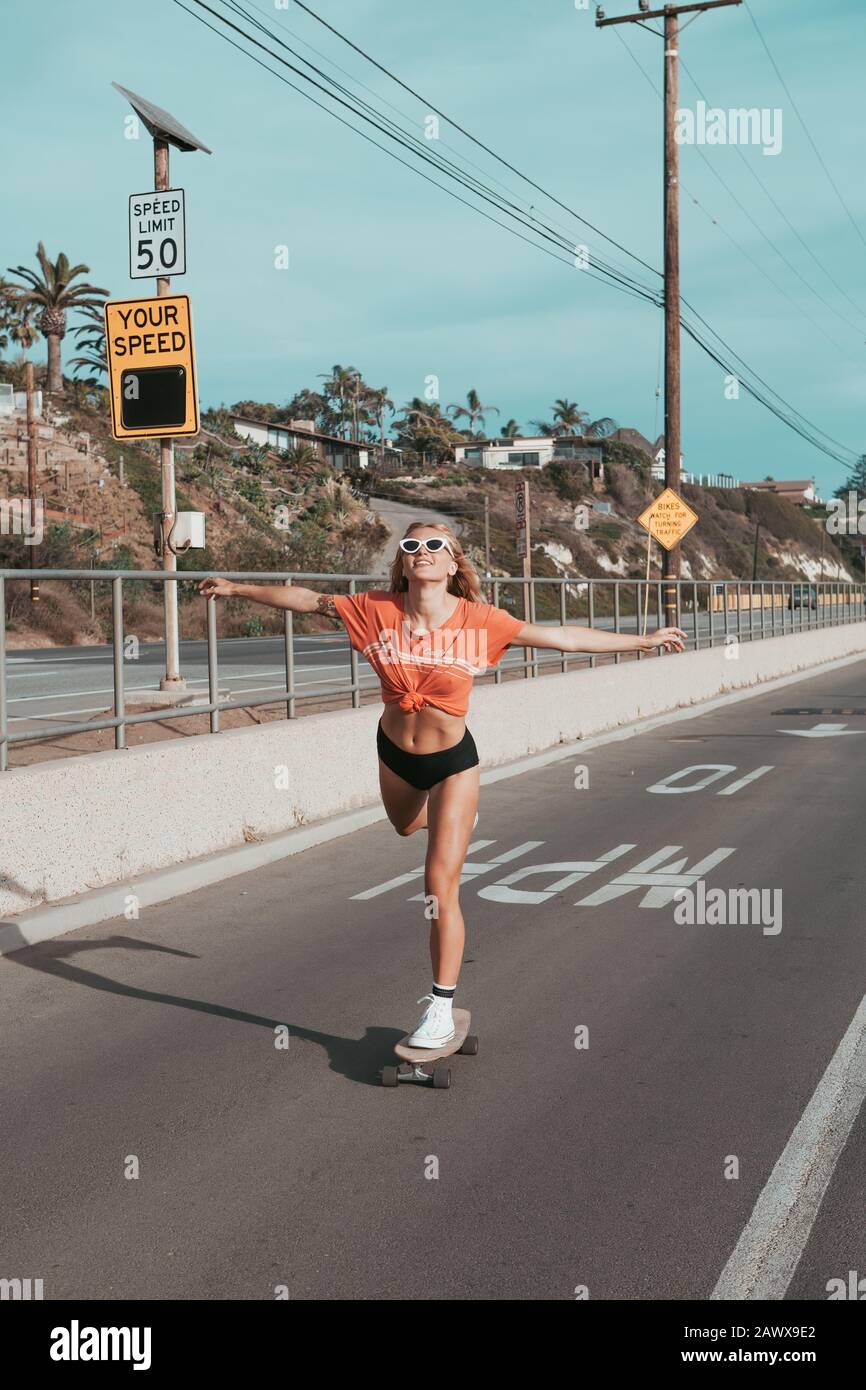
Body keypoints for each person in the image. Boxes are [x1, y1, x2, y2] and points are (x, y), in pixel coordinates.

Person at [198, 522, 685, 1048]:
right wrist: (236, 589)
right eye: (412, 546)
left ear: (453, 563)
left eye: (436, 546)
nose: (423, 552)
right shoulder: (375, 609)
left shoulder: (481, 621)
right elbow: (307, 599)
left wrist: (644, 640)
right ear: (403, 563)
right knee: (406, 827)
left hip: (453, 762)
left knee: (438, 888)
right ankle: (447, 818)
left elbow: (562, 637)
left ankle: (440, 1006)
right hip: (394, 755)